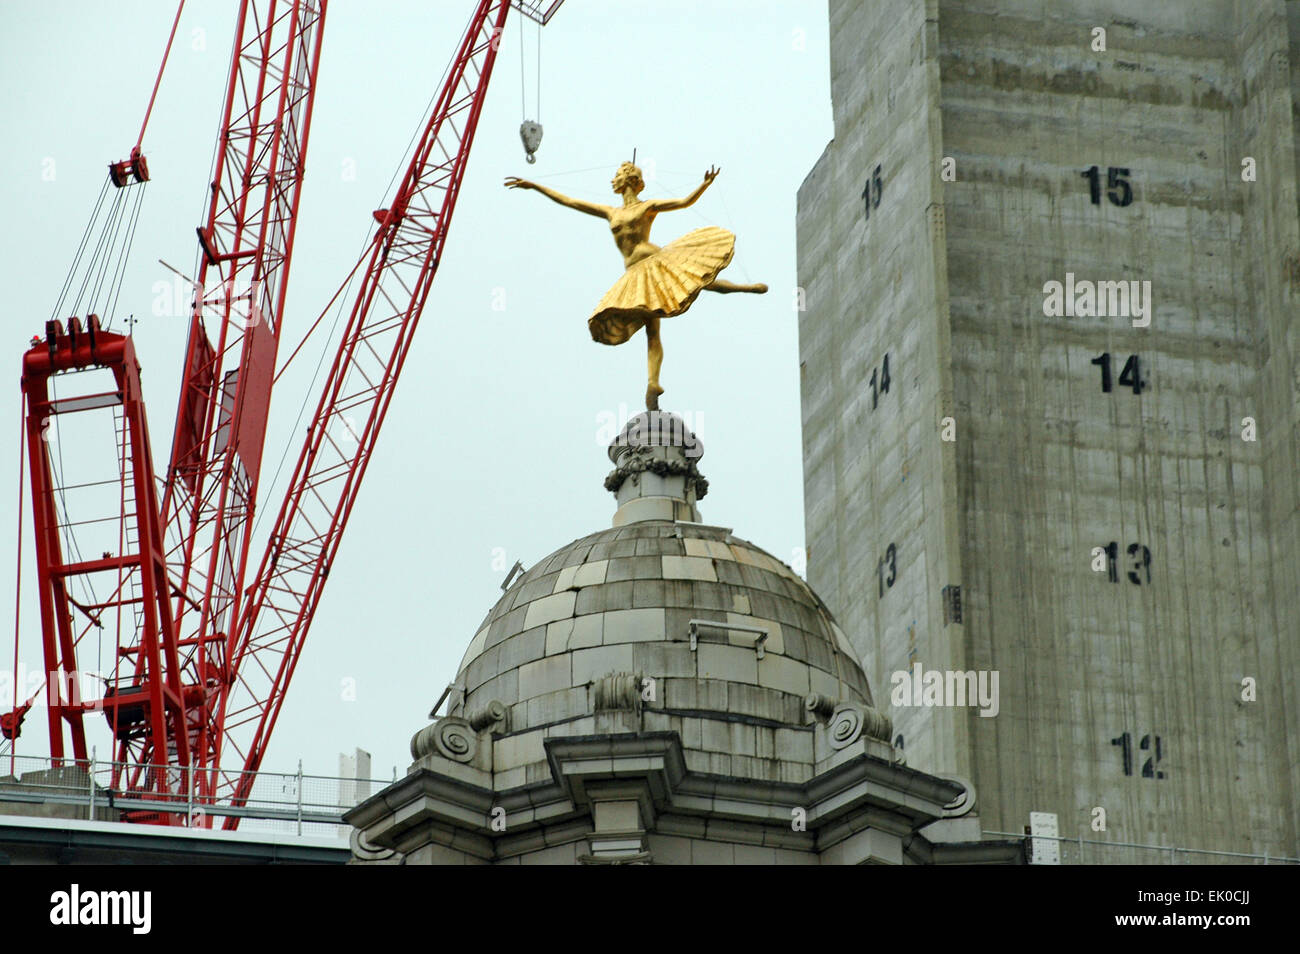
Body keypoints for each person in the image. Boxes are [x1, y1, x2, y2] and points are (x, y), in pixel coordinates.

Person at [505, 161, 767, 409]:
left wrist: (704, 184)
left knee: (699, 280)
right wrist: (535, 186)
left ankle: (746, 288)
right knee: (653, 329)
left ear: (630, 179)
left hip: (653, 260)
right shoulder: (610, 212)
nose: (612, 179)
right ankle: (652, 383)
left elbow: (683, 202)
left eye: (617, 174)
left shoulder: (647, 206)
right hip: (633, 273)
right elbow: (570, 201)